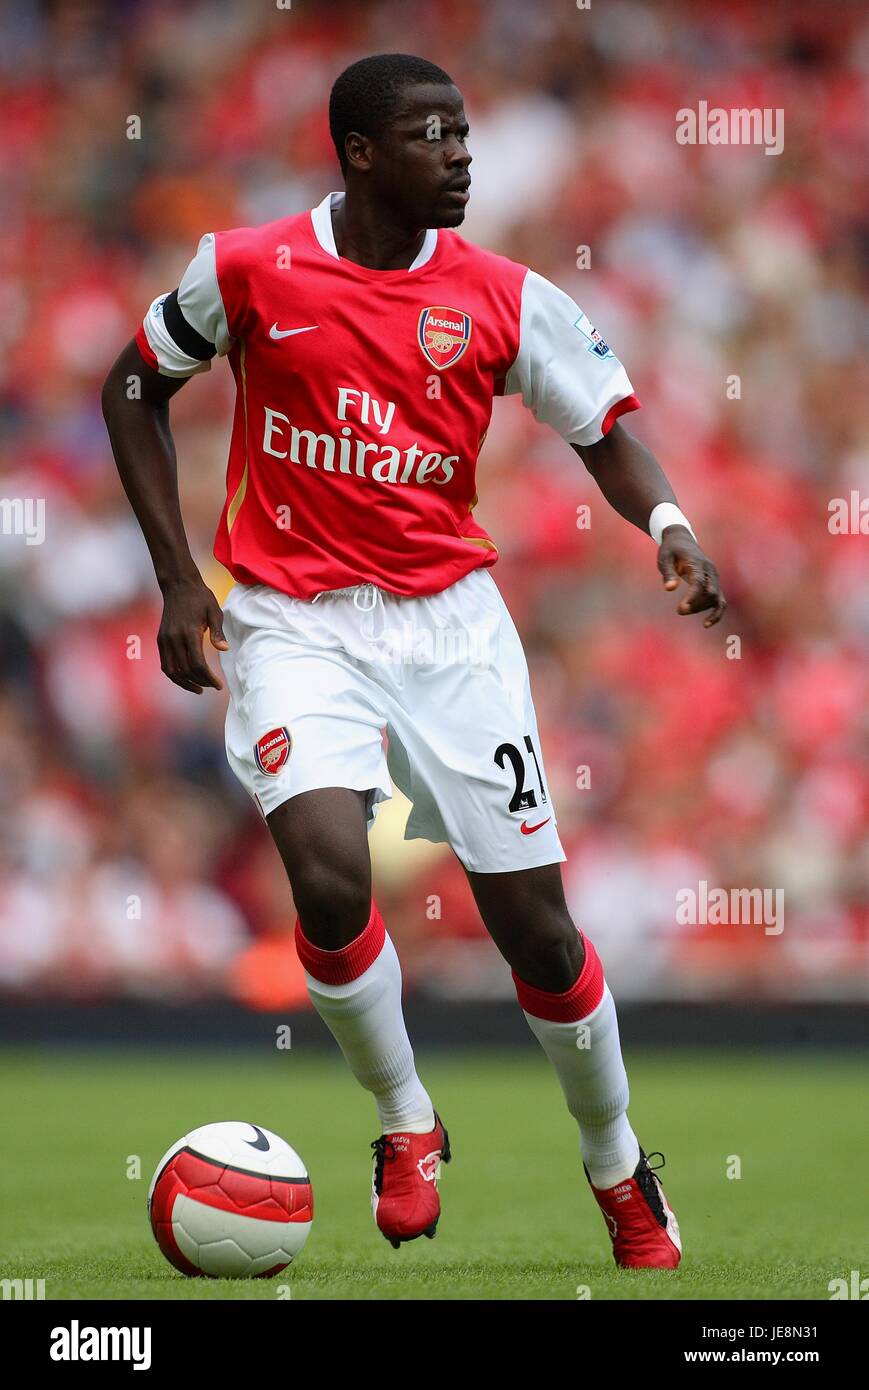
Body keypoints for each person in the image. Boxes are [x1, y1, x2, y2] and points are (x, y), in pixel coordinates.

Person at [103, 52, 725, 1268]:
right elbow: (132, 386)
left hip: (449, 625)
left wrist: (668, 527)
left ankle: (613, 1162)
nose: (459, 154)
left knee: (536, 933)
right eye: (431, 135)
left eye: (463, 132)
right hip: (292, 616)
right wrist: (181, 579)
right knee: (330, 881)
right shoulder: (246, 266)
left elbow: (604, 432)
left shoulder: (503, 295)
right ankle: (404, 1119)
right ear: (361, 153)